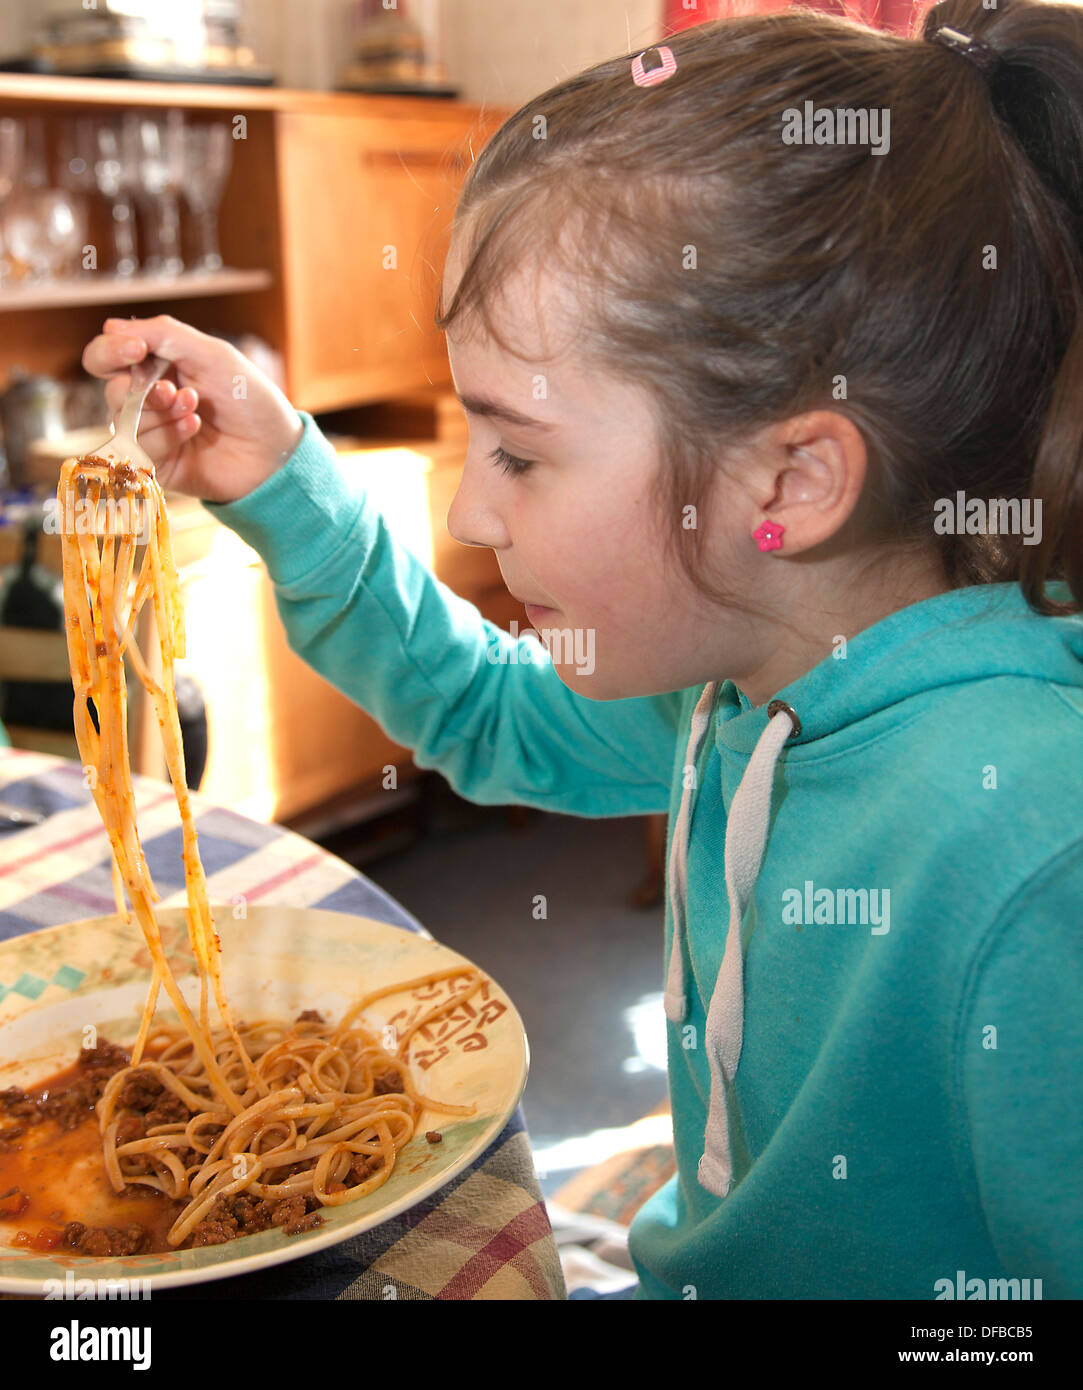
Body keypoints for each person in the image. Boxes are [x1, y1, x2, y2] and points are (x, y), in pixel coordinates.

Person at [80, 0, 1083, 1300]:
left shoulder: (1027, 849)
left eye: (521, 453)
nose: (467, 511)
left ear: (790, 480)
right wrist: (285, 478)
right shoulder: (745, 679)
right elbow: (485, 710)